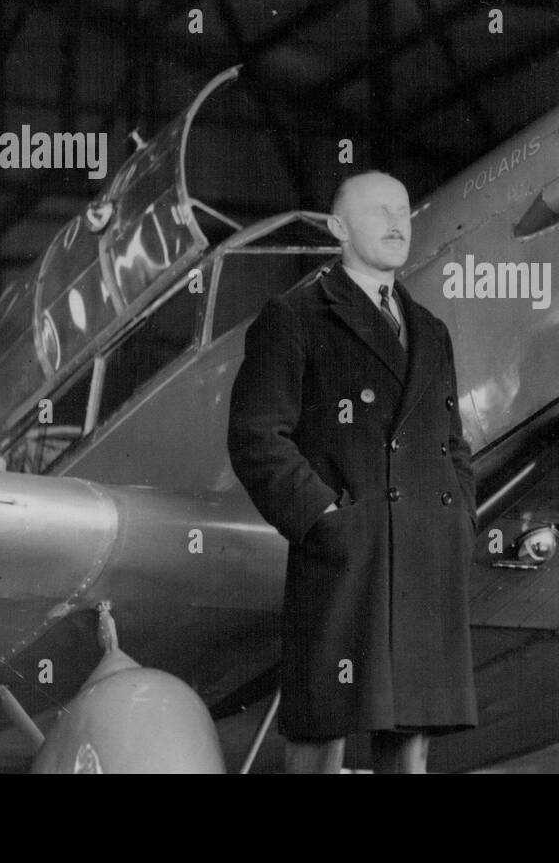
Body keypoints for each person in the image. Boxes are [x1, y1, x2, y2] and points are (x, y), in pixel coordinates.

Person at [227, 170, 478, 773]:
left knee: (412, 737)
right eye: (378, 213)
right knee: (322, 729)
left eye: (404, 213)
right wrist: (324, 520)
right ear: (338, 228)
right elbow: (256, 437)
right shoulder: (293, 316)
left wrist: (460, 517)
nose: (397, 225)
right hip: (346, 554)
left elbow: (452, 442)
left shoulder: (432, 331)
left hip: (424, 551)